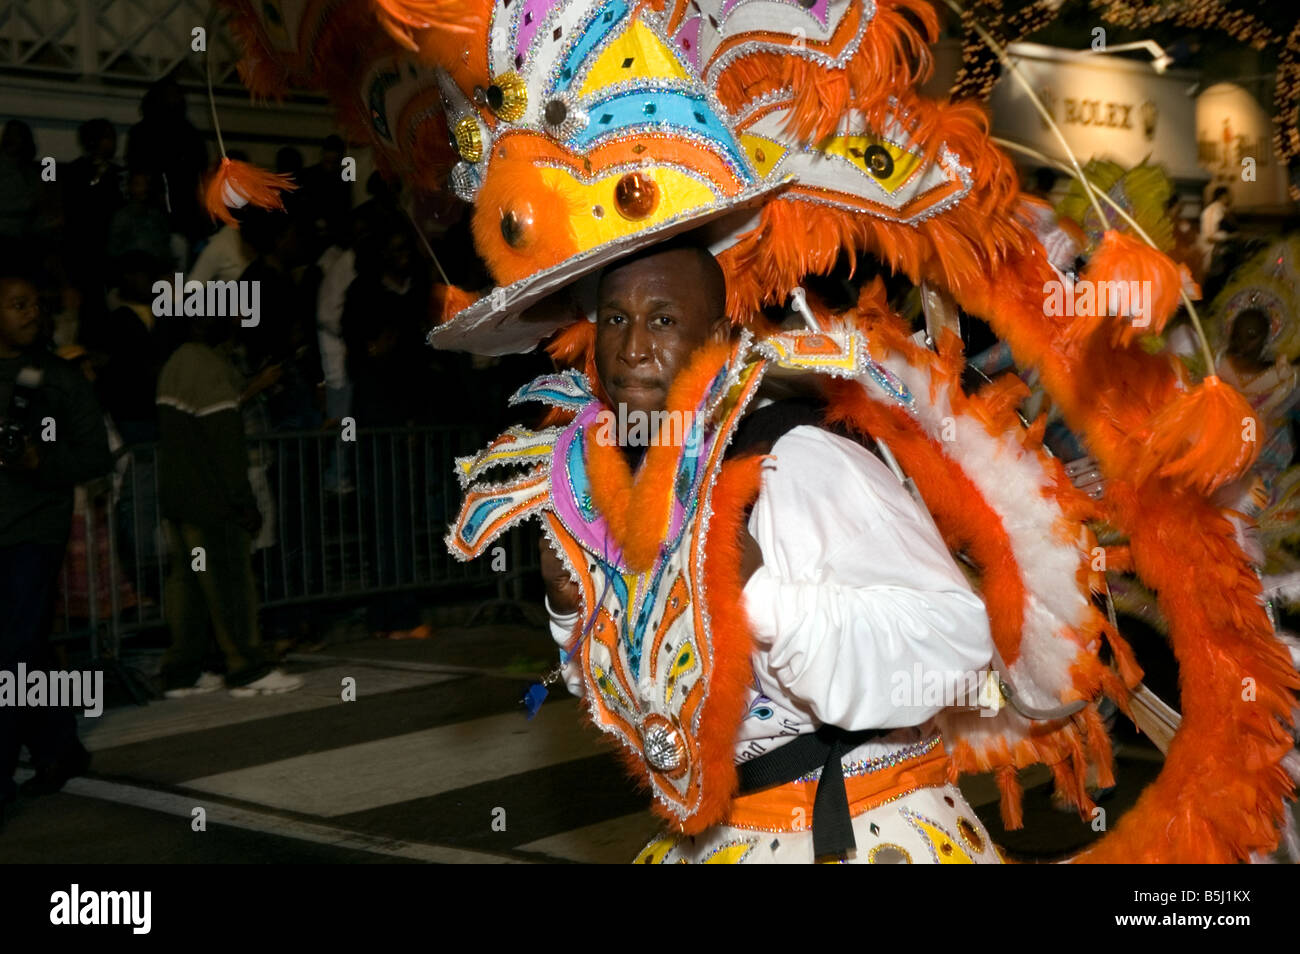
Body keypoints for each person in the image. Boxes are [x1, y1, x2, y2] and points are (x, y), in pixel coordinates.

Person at [458, 244, 1001, 863]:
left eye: (662, 320)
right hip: (712, 838)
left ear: (717, 335)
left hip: (856, 824)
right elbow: (654, 709)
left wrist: (759, 592)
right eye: (615, 319)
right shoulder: (619, 487)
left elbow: (955, 639)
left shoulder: (799, 460)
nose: (633, 347)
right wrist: (569, 615)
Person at [1, 274, 112, 818]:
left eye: (36, 305)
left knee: (12, 652)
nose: (30, 313)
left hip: (34, 535)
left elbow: (96, 456)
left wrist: (40, 464)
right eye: (17, 304)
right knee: (31, 649)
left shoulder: (59, 378)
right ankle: (59, 747)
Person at [155, 315, 304, 697]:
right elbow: (225, 447)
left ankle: (181, 672)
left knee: (189, 587)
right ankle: (248, 668)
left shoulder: (175, 361)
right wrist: (243, 503)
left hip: (180, 498)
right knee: (230, 583)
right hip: (212, 503)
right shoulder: (210, 368)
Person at [1199, 185, 1234, 273]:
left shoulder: (1224, 211)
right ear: (1223, 196)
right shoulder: (1212, 211)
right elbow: (1209, 237)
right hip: (1213, 255)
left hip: (1224, 255)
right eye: (1229, 195)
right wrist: (1230, 237)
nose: (1231, 198)